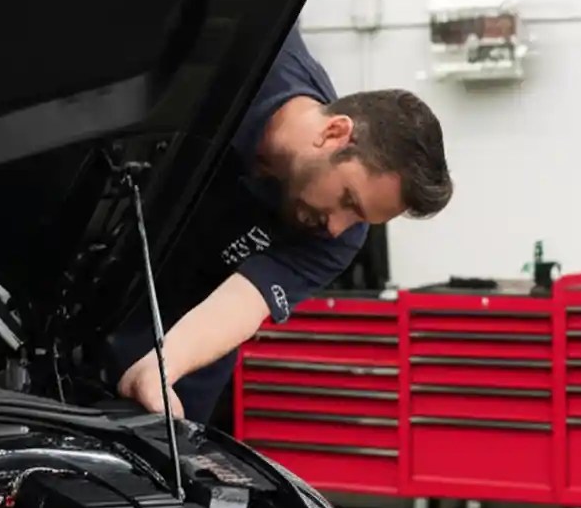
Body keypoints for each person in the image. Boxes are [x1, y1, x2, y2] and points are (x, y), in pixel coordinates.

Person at [106, 25, 452, 424]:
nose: (338, 228)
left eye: (359, 218)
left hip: (174, 358)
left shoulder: (340, 236)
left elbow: (244, 302)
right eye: (348, 200)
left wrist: (160, 369)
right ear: (334, 132)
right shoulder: (251, 52)